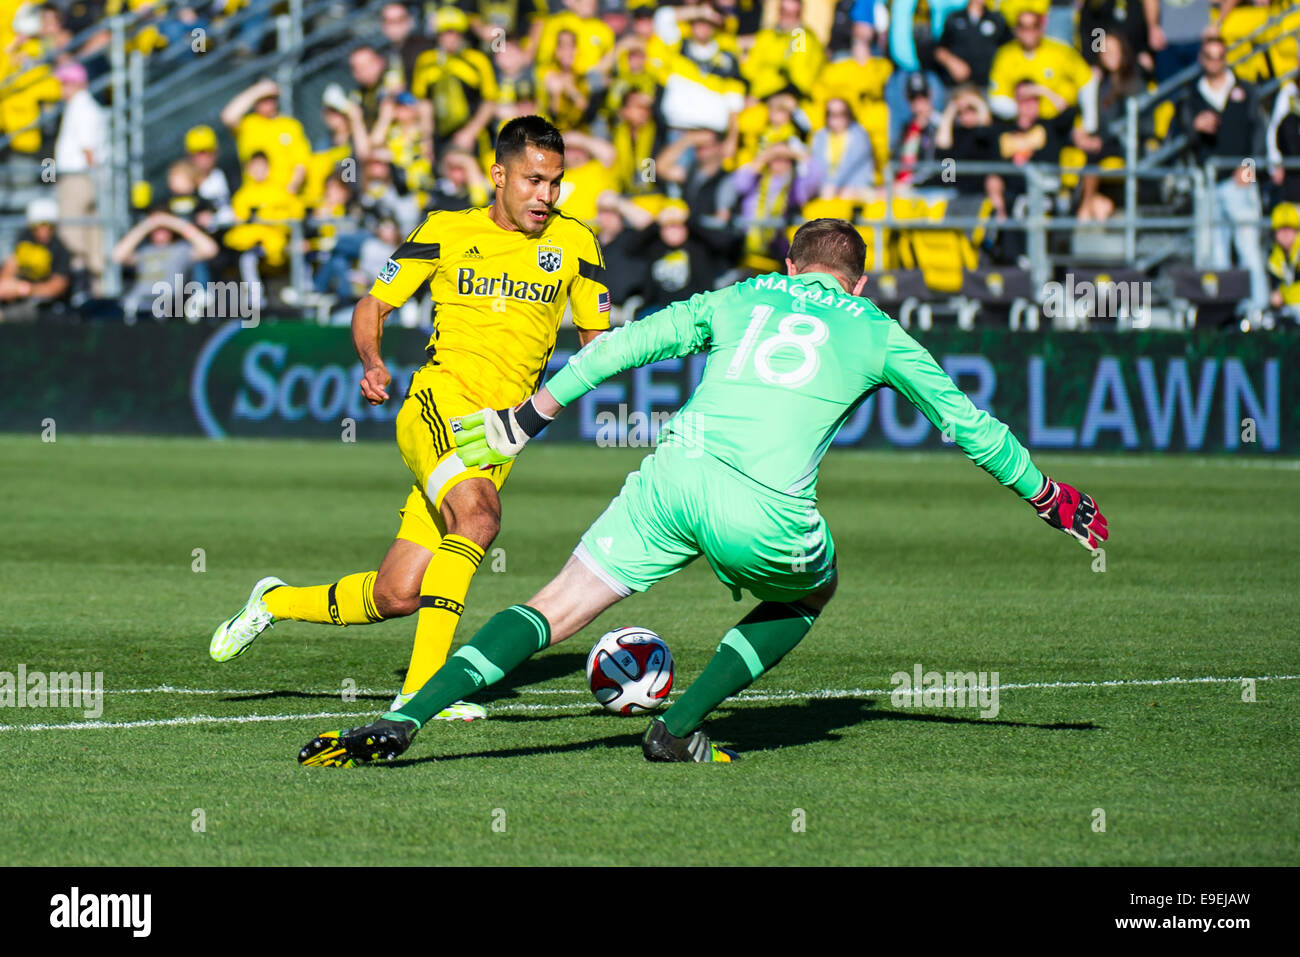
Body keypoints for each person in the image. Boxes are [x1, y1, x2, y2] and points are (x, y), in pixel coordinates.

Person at [298, 217, 1109, 767]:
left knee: (553, 607)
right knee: (812, 591)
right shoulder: (877, 330)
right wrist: (1050, 497)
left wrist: (529, 417)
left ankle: (405, 718)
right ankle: (678, 727)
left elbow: (626, 346)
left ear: (791, 266)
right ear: (856, 284)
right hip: (764, 508)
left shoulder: (743, 294)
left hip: (671, 475)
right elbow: (968, 425)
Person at [209, 116, 613, 721]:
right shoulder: (448, 231)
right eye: (533, 181)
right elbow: (373, 304)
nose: (545, 196)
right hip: (436, 402)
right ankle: (425, 692)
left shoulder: (577, 244)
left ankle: (275, 602)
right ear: (498, 175)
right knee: (478, 518)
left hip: (499, 436)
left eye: (554, 184)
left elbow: (597, 343)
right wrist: (371, 362)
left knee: (397, 593)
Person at [0, 197, 72, 322]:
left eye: (48, 226)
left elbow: (57, 286)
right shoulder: (24, 239)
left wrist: (26, 289)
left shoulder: (59, 249)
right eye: (38, 226)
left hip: (41, 306)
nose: (43, 231)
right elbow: (11, 265)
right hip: (16, 298)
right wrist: (6, 285)